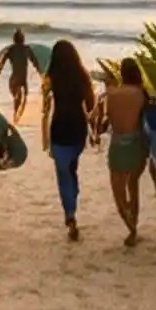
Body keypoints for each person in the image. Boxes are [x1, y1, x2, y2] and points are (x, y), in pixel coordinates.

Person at [44, 39, 97, 242]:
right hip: (77, 128)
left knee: (63, 173)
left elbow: (45, 104)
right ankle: (72, 200)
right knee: (71, 169)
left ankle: (70, 212)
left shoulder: (51, 77)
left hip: (59, 127)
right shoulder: (82, 77)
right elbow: (90, 104)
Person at [96, 57, 149, 247]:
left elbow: (108, 119)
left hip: (118, 145)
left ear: (122, 74)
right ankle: (134, 227)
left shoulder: (113, 94)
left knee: (118, 192)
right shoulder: (142, 94)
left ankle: (131, 227)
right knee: (133, 185)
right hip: (137, 144)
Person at [0, 29, 41, 123]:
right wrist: (40, 71)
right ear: (23, 39)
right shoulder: (26, 49)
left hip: (14, 80)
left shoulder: (11, 49)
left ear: (14, 39)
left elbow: (3, 59)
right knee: (22, 98)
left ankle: (16, 118)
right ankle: (16, 117)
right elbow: (34, 61)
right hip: (22, 79)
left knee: (19, 97)